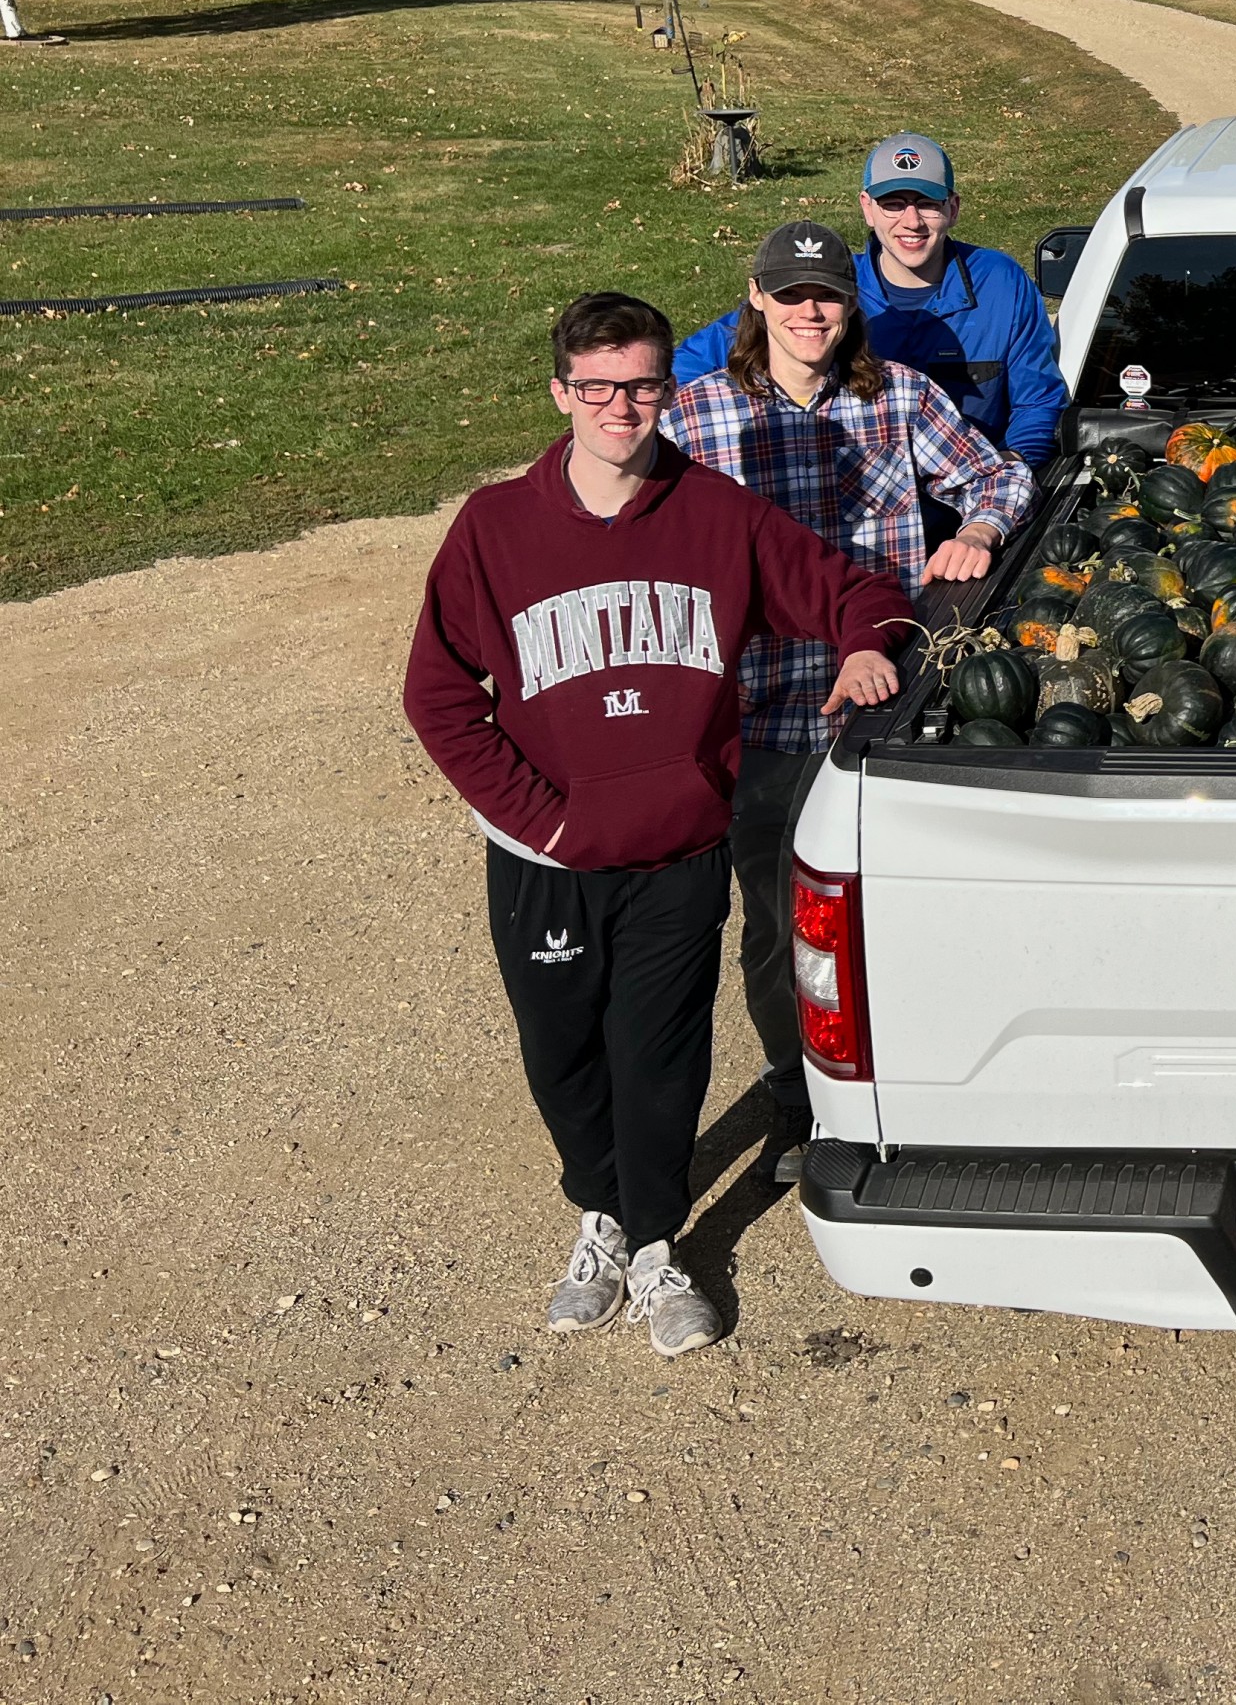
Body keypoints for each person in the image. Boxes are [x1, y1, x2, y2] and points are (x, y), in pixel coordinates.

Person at [404, 292, 914, 1358]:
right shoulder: (494, 529)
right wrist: (543, 820)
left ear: (666, 391)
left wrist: (867, 643)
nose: (619, 408)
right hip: (545, 858)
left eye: (639, 385)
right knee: (561, 1054)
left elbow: (848, 591)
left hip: (679, 849)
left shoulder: (717, 516)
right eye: (596, 387)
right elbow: (439, 695)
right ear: (561, 394)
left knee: (660, 1056)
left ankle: (653, 1245)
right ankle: (600, 1210)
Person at [663, 220, 1034, 1186]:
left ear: (850, 301)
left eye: (826, 294)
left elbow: (1000, 471)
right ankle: (801, 1096)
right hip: (761, 714)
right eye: (791, 296)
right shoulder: (695, 418)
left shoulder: (900, 399)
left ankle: (938, 1083)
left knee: (915, 909)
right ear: (757, 298)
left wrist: (981, 529)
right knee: (780, 922)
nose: (810, 313)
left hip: (888, 706)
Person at [670, 133, 1066, 472]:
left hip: (964, 500)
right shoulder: (828, 289)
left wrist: (1008, 473)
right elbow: (692, 366)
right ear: (866, 208)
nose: (911, 221)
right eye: (893, 203)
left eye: (928, 203)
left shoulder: (1000, 283)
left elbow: (1039, 400)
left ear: (953, 208)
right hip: (855, 500)